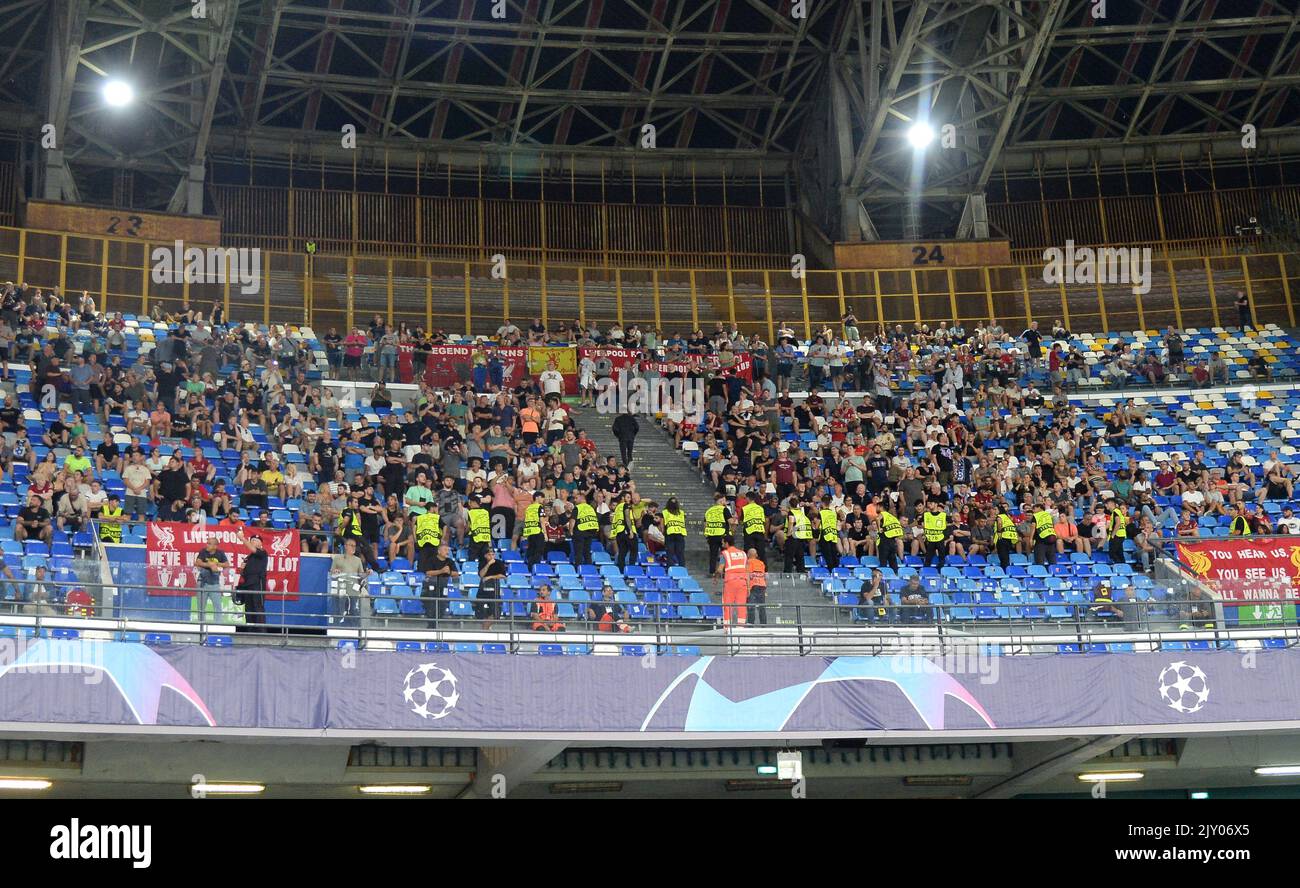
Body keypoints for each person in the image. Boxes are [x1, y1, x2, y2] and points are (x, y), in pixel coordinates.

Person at [330, 537, 370, 626]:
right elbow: (332, 572)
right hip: (341, 589)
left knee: (353, 610)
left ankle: (355, 630)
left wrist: (367, 573)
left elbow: (361, 575)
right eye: (351, 545)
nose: (353, 548)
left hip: (353, 590)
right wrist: (335, 571)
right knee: (340, 610)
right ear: (345, 546)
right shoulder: (337, 558)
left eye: (354, 546)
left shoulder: (358, 560)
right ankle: (338, 628)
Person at [235, 534, 268, 632]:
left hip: (257, 583)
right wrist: (241, 569)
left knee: (258, 606)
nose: (253, 541)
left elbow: (253, 549)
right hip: (247, 584)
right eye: (252, 540)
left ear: (260, 543)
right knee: (248, 607)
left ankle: (260, 631)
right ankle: (250, 629)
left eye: (256, 540)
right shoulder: (249, 557)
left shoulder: (262, 552)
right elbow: (243, 573)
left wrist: (242, 538)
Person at [194, 538, 227, 623]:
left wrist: (216, 564)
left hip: (215, 583)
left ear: (215, 546)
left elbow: (227, 564)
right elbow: (197, 562)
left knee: (218, 607)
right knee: (201, 607)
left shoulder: (220, 553)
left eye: (209, 544)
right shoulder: (203, 551)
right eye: (207, 543)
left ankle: (217, 627)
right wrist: (209, 565)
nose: (207, 545)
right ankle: (201, 626)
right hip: (202, 582)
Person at [720, 537, 749, 626]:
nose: (722, 544)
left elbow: (720, 569)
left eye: (723, 543)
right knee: (742, 605)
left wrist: (717, 575)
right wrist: (748, 586)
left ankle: (727, 627)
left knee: (727, 605)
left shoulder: (725, 554)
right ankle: (741, 626)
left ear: (727, 543)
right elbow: (747, 571)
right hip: (743, 582)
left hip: (730, 582)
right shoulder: (743, 554)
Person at [703, 493, 730, 575]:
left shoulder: (709, 510)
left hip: (711, 536)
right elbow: (730, 521)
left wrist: (707, 535)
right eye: (724, 500)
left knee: (713, 554)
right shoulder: (724, 509)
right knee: (724, 554)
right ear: (721, 500)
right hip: (722, 535)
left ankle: (712, 572)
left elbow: (705, 524)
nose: (725, 502)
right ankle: (724, 571)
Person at [662, 497, 688, 568]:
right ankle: (682, 568)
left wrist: (663, 532)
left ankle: (671, 569)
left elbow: (662, 523)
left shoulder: (665, 512)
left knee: (670, 553)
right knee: (679, 553)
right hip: (678, 534)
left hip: (671, 534)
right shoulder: (681, 512)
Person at [922, 501, 948, 569]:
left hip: (940, 538)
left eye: (931, 503)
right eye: (929, 504)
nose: (929, 505)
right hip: (930, 539)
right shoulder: (926, 515)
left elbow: (950, 523)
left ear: (936, 504)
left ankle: (940, 571)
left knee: (942, 558)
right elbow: (918, 523)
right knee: (928, 558)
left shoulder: (943, 515)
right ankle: (926, 572)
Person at [816, 497, 840, 570]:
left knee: (827, 555)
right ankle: (836, 570)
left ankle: (831, 571)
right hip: (833, 535)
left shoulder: (821, 513)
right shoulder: (833, 513)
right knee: (833, 553)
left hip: (825, 535)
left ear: (822, 503)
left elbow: (817, 525)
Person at [1032, 501, 1058, 566]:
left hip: (1040, 540)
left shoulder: (1036, 515)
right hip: (1051, 539)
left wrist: (1031, 539)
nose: (1033, 511)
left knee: (1040, 563)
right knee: (1052, 562)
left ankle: (1041, 575)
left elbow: (1033, 527)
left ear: (1039, 508)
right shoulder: (1048, 515)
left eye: (1034, 509)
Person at [877, 506, 903, 571]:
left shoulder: (884, 513)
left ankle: (884, 578)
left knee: (883, 562)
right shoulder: (894, 519)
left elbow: (877, 518)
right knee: (893, 562)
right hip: (892, 542)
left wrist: (879, 528)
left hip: (884, 541)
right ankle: (895, 576)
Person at [746, 548, 767, 626]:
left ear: (748, 555)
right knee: (762, 607)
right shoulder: (761, 563)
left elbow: (747, 575)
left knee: (751, 607)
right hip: (762, 586)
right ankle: (764, 625)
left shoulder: (748, 562)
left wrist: (748, 588)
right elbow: (764, 576)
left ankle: (751, 624)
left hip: (752, 586)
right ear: (756, 555)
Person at [994, 502, 1017, 569]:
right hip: (1009, 539)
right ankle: (1007, 569)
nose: (994, 511)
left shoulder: (1000, 516)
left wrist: (999, 531)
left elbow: (999, 523)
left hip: (1002, 538)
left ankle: (1005, 570)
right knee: (1006, 557)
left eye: (995, 509)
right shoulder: (1007, 517)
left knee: (1003, 557)